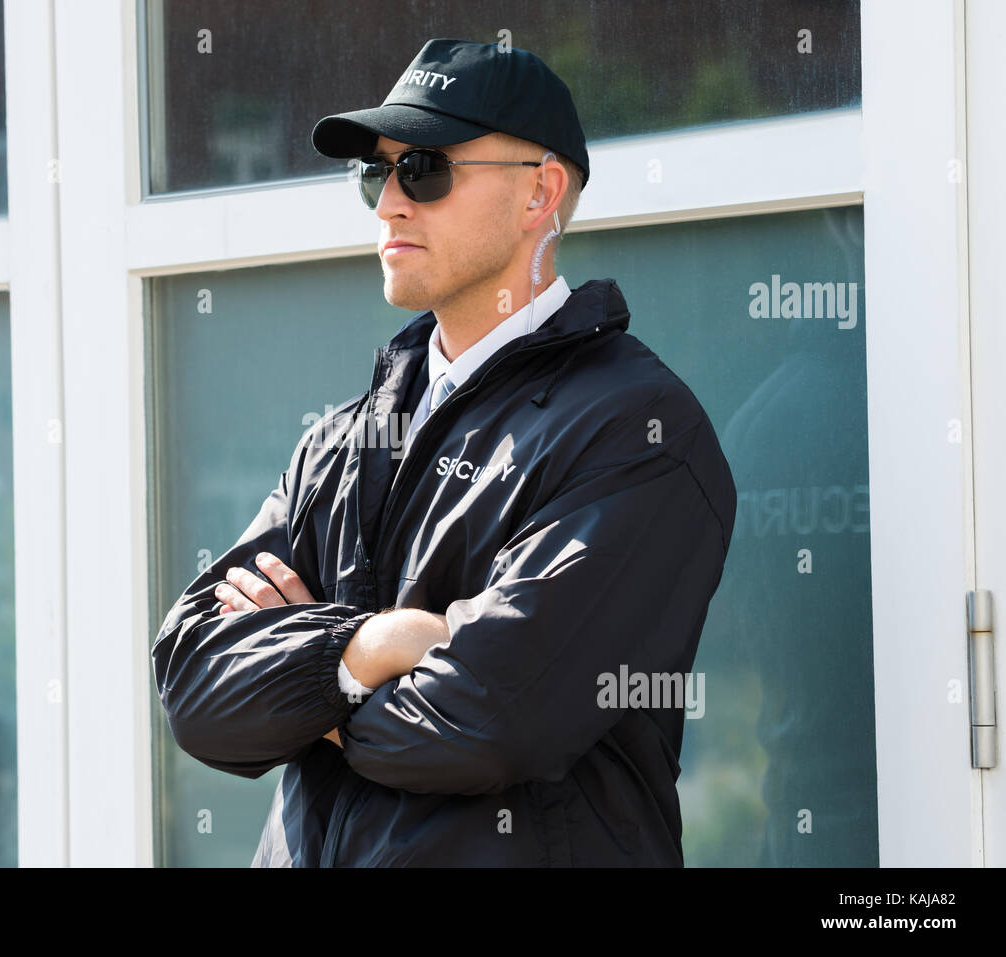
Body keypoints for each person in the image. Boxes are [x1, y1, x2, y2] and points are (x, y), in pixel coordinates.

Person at [152, 37, 737, 866]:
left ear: (542, 191)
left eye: (424, 168)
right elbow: (196, 691)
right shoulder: (342, 439)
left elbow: (484, 724)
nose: (390, 201)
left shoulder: (637, 431)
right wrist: (373, 650)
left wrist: (300, 684)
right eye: (374, 175)